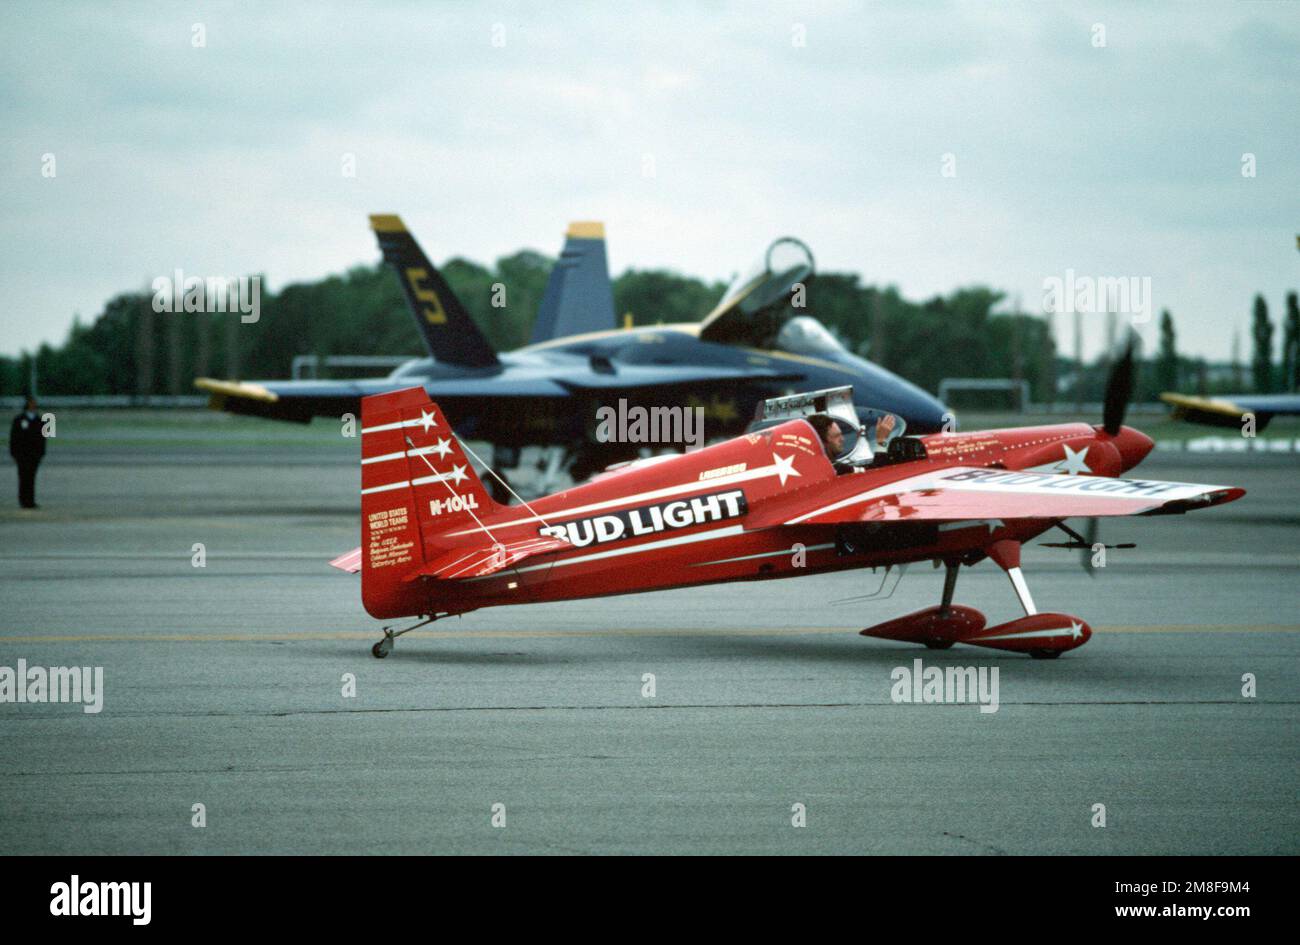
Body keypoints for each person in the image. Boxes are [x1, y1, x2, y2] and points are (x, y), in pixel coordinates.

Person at [807, 412, 896, 471]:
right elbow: (875, 473)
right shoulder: (836, 469)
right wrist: (881, 441)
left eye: (841, 435)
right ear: (821, 441)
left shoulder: (811, 468)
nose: (842, 439)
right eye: (836, 436)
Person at [9, 396, 47, 508]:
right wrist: (14, 453)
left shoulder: (40, 420)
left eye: (34, 403)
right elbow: (14, 438)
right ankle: (23, 500)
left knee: (31, 478)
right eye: (31, 403)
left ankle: (30, 500)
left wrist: (41, 453)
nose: (33, 405)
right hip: (22, 455)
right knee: (23, 478)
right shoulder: (19, 419)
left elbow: (43, 438)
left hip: (34, 455)